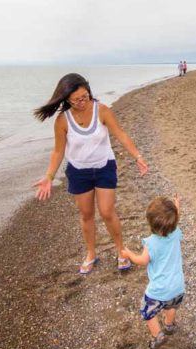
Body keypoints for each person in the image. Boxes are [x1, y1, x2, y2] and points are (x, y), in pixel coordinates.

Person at [33, 73, 149, 274]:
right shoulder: (62, 120)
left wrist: (137, 156)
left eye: (84, 97)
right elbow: (58, 150)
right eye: (75, 100)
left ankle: (121, 251)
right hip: (78, 171)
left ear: (88, 91)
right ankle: (91, 254)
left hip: (104, 166)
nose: (81, 102)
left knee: (106, 211)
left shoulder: (102, 110)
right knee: (86, 214)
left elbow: (120, 134)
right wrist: (49, 176)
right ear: (66, 100)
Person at [120, 195, 185, 349]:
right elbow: (177, 217)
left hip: (158, 291)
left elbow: (142, 260)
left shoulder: (151, 243)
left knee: (147, 312)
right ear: (174, 222)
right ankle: (169, 325)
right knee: (171, 306)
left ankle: (158, 335)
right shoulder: (176, 233)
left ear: (151, 224)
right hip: (178, 287)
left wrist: (129, 255)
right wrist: (177, 205)